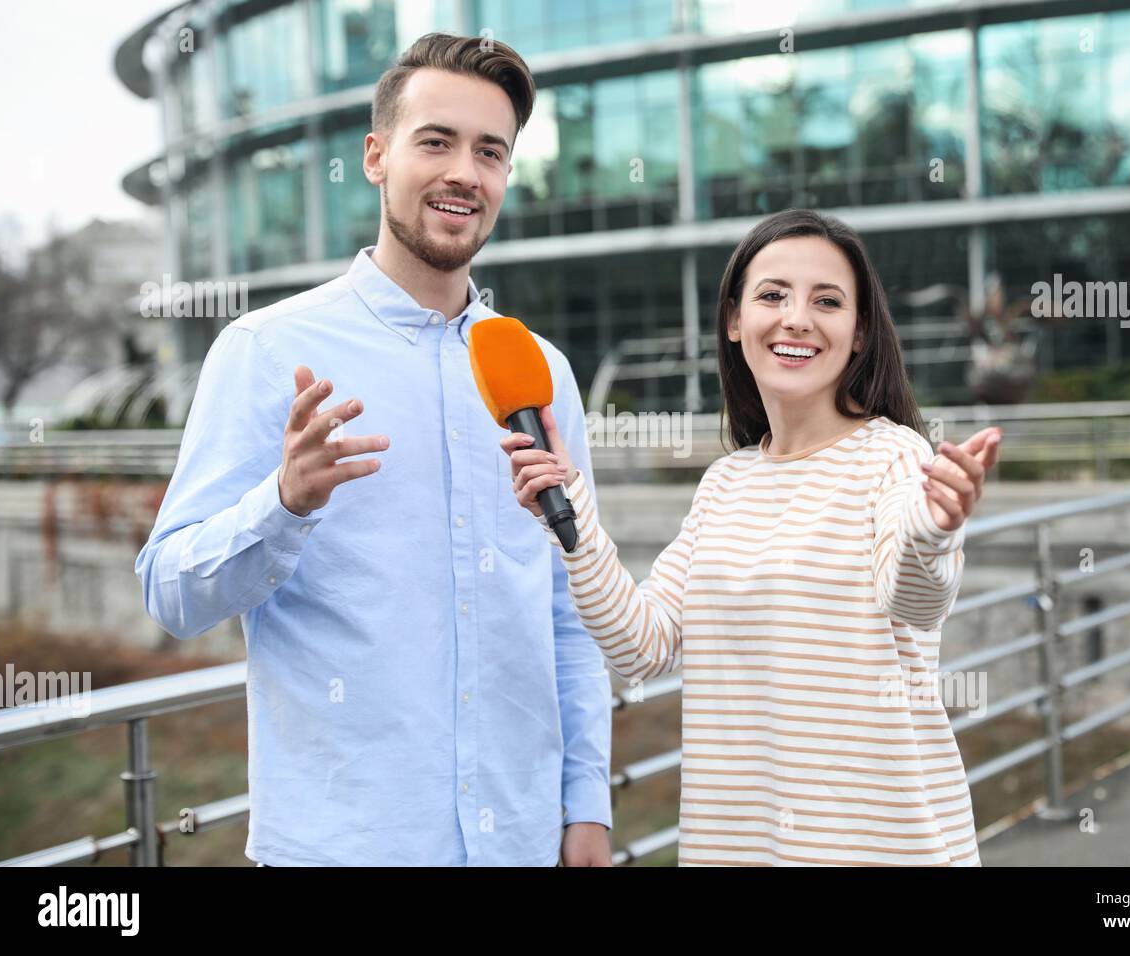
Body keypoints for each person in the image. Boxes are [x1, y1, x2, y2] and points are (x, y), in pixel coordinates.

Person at [135, 34, 613, 867]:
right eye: (437, 141)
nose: (465, 171)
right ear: (375, 156)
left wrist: (587, 806)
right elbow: (171, 595)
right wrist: (282, 504)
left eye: (490, 152)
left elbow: (568, 611)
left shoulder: (542, 372)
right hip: (342, 849)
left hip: (523, 842)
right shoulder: (264, 351)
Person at [502, 209, 1001, 866]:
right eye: (773, 295)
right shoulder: (725, 484)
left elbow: (913, 595)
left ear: (858, 334)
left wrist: (935, 528)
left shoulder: (895, 458)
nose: (797, 317)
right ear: (735, 321)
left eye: (827, 301)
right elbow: (642, 647)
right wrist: (570, 516)